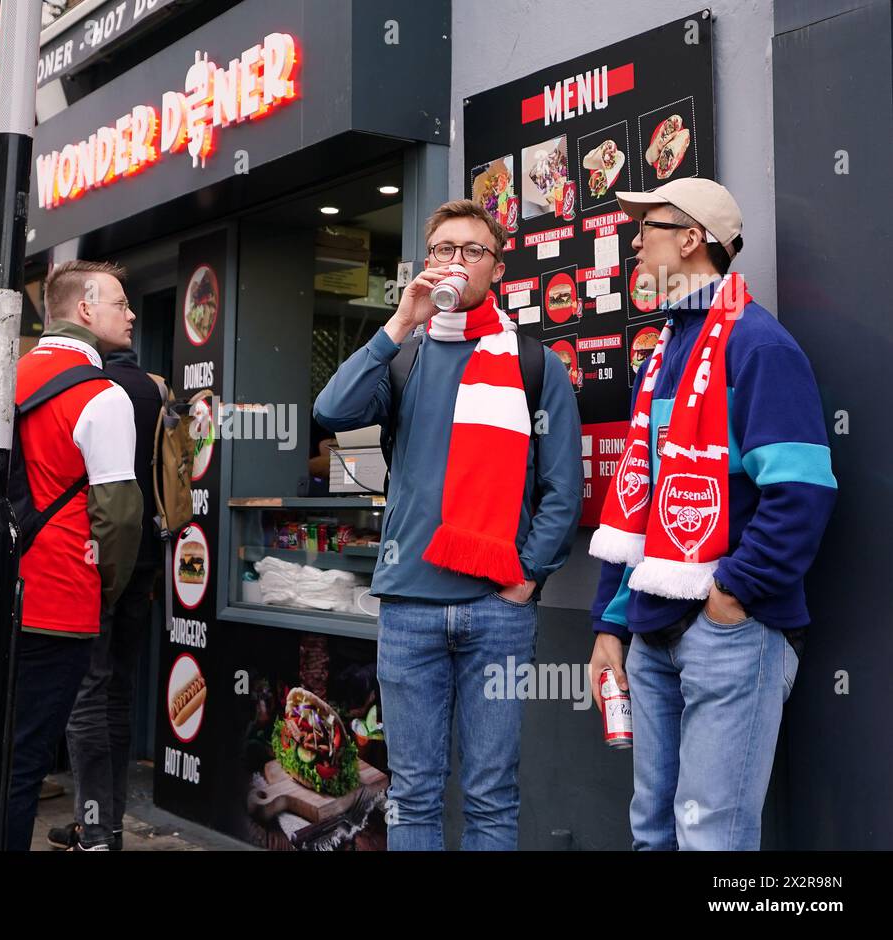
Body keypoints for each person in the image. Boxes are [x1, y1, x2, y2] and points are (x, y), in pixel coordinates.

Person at [314, 199, 583, 851]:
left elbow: (563, 487)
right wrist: (398, 323)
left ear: (497, 267)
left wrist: (525, 577)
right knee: (413, 794)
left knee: (492, 797)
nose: (454, 263)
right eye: (442, 251)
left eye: (471, 251)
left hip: (498, 610)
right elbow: (330, 410)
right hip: (409, 607)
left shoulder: (533, 363)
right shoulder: (403, 358)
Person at [586, 179, 837, 851]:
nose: (635, 242)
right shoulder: (663, 350)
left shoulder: (760, 345)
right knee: (652, 832)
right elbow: (636, 499)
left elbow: (802, 492)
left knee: (711, 840)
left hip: (730, 633)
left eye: (650, 228)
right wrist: (611, 624)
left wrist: (731, 594)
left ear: (693, 239)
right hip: (652, 628)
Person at [6, 260, 143, 851]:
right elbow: (119, 517)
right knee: (27, 759)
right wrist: (106, 590)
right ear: (85, 310)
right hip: (60, 596)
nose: (131, 313)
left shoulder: (2, 376)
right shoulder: (102, 394)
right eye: (120, 302)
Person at [48, 344, 162, 851]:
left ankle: (92, 826)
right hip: (147, 553)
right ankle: (109, 821)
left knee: (89, 689)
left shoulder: (94, 391)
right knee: (117, 688)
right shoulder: (157, 390)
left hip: (101, 553)